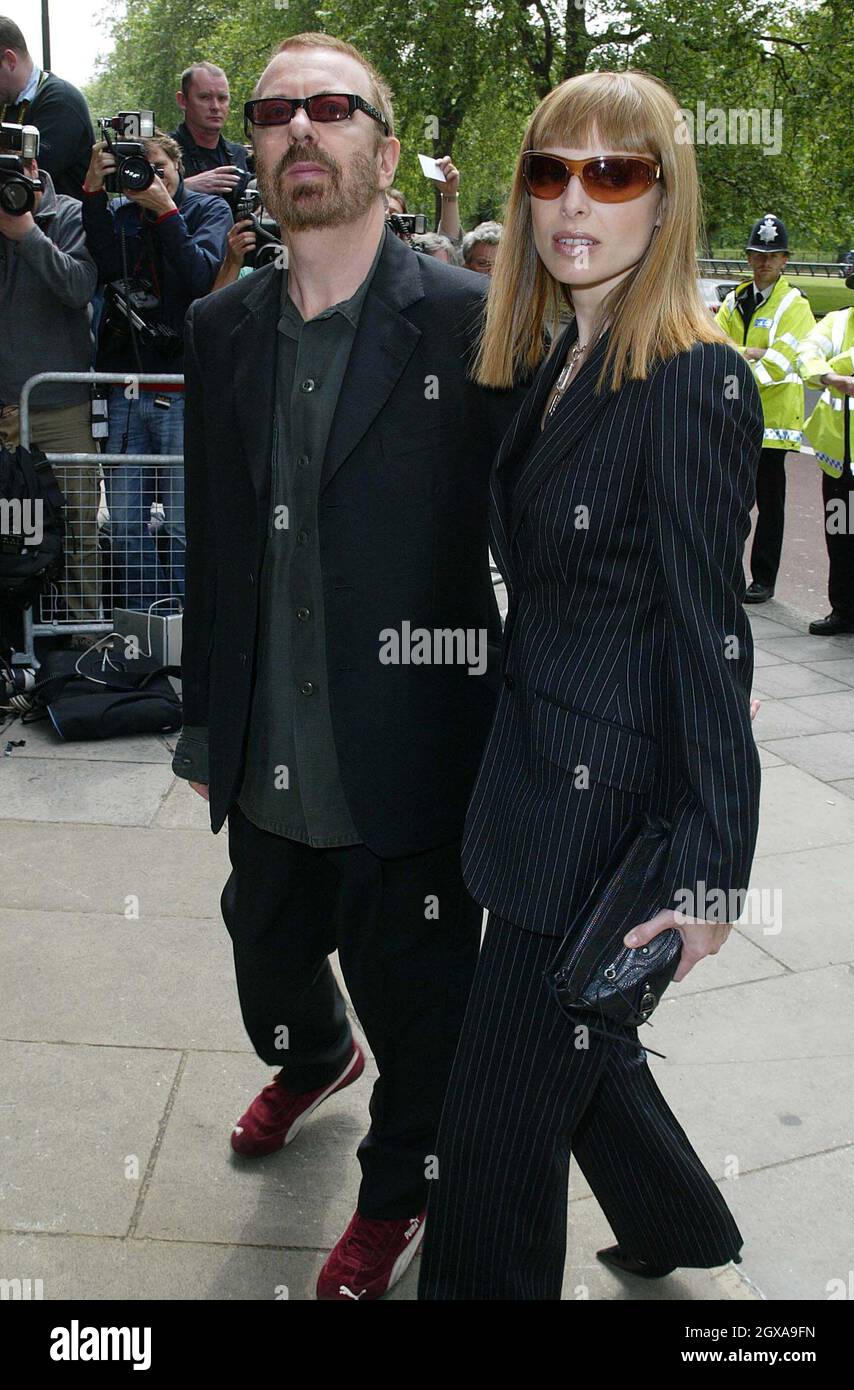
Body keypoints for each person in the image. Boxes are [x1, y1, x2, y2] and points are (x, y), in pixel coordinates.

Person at [170, 30, 525, 1300]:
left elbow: (531, 536)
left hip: (412, 746)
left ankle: (394, 1194)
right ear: (251, 145)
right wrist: (202, 711)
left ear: (384, 144)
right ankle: (314, 1051)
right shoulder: (220, 328)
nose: (299, 129)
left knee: (417, 996)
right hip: (264, 731)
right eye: (273, 111)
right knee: (261, 948)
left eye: (333, 107)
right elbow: (220, 540)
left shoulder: (472, 323)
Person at [417, 68, 763, 1301]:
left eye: (612, 173)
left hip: (598, 810)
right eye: (549, 170)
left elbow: (709, 632)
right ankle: (678, 1219)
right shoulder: (564, 349)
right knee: (583, 1037)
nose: (574, 200)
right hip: (533, 776)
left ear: (663, 202)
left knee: (491, 1141)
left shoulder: (688, 376)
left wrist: (713, 867)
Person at [81, 130, 232, 612]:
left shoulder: (208, 211)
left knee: (186, 521)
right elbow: (103, 266)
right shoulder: (123, 215)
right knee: (126, 522)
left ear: (178, 167)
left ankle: (192, 630)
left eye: (159, 169)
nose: (148, 179)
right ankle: (147, 627)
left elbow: (202, 278)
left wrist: (166, 210)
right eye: (139, 170)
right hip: (124, 387)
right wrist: (91, 191)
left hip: (181, 389)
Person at [0, 133, 100, 636]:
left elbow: (80, 287)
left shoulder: (70, 215)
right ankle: (16, 644)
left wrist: (27, 234)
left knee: (80, 528)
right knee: (12, 534)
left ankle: (83, 639)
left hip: (60, 406)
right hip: (5, 409)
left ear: (33, 163)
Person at [715, 215, 816, 603]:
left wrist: (739, 356)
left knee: (769, 507)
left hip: (773, 424)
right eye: (758, 255)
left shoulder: (795, 304)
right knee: (731, 502)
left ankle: (764, 580)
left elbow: (778, 365)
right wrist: (750, 353)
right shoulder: (734, 298)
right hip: (735, 421)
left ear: (786, 260)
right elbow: (714, 349)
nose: (764, 263)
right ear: (748, 257)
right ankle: (729, 573)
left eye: (773, 256)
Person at [794, 235, 854, 636]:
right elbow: (806, 353)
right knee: (844, 535)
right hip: (840, 458)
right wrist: (827, 376)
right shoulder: (838, 321)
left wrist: (838, 366)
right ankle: (847, 613)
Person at [0, 16, 94, 200]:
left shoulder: (61, 101)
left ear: (10, 60)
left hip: (62, 225)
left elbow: (30, 174)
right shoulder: (8, 100)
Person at [170, 62, 253, 201]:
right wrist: (186, 188)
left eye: (222, 98)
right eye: (205, 97)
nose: (215, 107)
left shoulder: (239, 155)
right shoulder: (164, 153)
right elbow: (139, 201)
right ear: (183, 101)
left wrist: (256, 213)